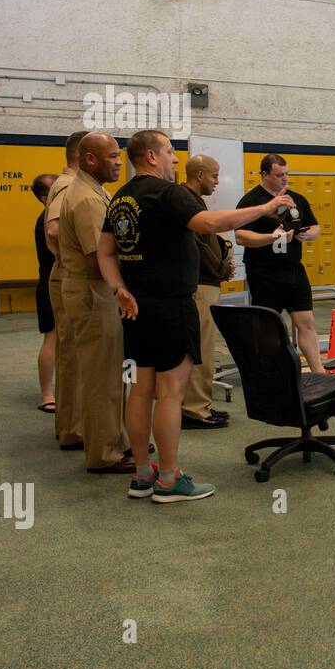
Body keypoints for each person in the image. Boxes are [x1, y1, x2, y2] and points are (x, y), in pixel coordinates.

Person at [98, 130, 293, 503]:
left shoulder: (121, 198)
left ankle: (143, 474)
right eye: (170, 152)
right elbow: (210, 224)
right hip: (171, 307)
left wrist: (118, 289)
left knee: (139, 392)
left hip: (135, 308)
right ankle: (169, 480)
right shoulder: (168, 193)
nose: (175, 160)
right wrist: (264, 209)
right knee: (170, 395)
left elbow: (104, 253)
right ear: (152, 156)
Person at [60, 132, 132, 474]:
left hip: (93, 290)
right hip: (93, 291)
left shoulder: (94, 191)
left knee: (105, 373)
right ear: (90, 159)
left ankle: (113, 440)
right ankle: (105, 453)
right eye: (113, 156)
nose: (119, 162)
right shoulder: (87, 198)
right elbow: (96, 259)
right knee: (102, 377)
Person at [235, 154, 324, 373]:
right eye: (279, 175)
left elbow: (315, 226)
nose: (285, 179)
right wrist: (271, 238)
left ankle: (319, 372)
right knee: (268, 328)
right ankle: (269, 373)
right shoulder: (252, 201)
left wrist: (309, 235)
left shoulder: (297, 199)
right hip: (264, 273)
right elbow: (240, 236)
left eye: (287, 174)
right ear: (264, 175)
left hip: (294, 270)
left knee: (306, 322)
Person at [180, 154, 233, 430]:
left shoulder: (192, 201)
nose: (216, 181)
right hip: (202, 283)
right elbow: (198, 247)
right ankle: (194, 409)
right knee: (201, 348)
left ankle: (195, 404)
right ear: (199, 175)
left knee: (200, 347)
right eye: (214, 175)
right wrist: (223, 269)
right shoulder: (188, 201)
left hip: (203, 281)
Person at [44, 130, 89, 451]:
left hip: (67, 273)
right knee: (73, 355)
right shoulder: (69, 185)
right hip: (71, 275)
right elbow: (55, 227)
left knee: (71, 353)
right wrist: (86, 250)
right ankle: (74, 428)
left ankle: (72, 425)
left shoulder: (71, 184)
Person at [32, 174, 58, 414]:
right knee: (52, 337)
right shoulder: (48, 220)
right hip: (49, 285)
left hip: (61, 284)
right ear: (44, 198)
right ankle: (47, 394)